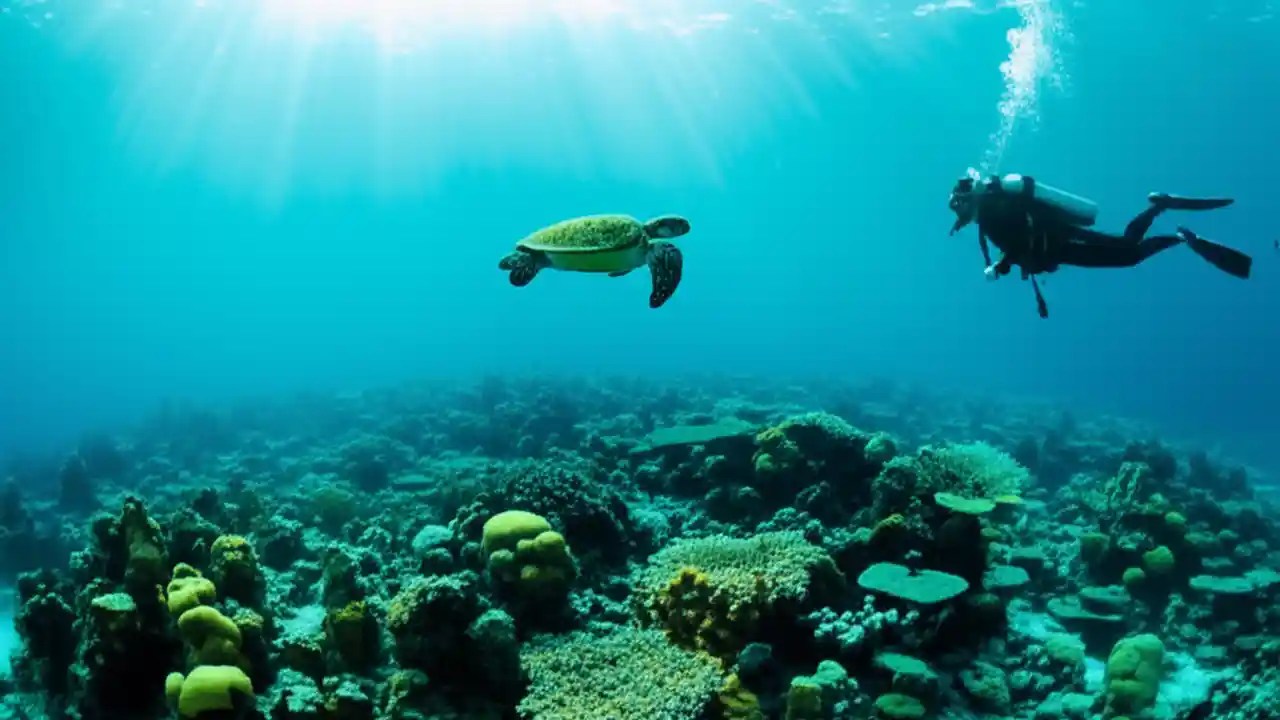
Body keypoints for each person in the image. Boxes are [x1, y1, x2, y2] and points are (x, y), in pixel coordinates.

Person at [947, 168, 1253, 318]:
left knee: (1127, 248)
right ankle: (1174, 229)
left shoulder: (994, 212)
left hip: (1062, 238)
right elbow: (1018, 242)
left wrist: (1001, 266)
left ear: (967, 198)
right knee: (1128, 254)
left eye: (958, 205)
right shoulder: (990, 215)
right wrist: (1004, 263)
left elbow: (1018, 238)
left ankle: (1162, 210)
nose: (959, 213)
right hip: (1060, 247)